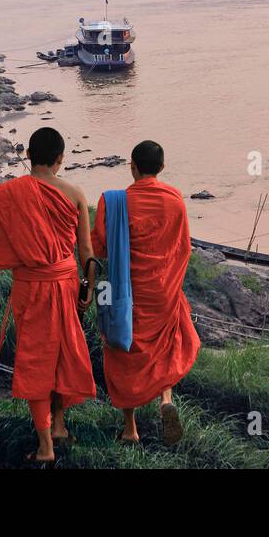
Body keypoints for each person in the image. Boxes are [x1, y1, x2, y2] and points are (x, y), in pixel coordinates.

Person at [0, 127, 96, 464]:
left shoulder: (12, 193)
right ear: (61, 159)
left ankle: (47, 444)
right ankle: (58, 425)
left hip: (30, 289)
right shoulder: (75, 194)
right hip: (66, 284)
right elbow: (87, 250)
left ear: (29, 156)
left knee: (36, 360)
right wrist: (87, 290)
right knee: (63, 354)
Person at [93, 140, 201, 444]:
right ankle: (165, 400)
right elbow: (184, 249)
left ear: (132, 167)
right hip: (163, 291)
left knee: (122, 351)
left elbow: (100, 247)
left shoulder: (113, 202)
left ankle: (130, 429)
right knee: (166, 346)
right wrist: (170, 282)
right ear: (162, 168)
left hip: (126, 293)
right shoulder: (175, 200)